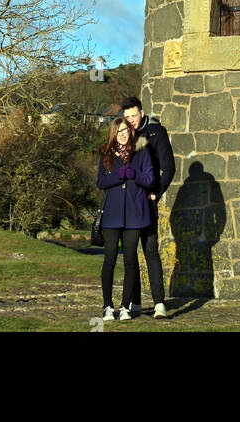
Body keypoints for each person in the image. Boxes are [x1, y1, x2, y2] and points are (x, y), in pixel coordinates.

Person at [96, 116, 154, 323]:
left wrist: (134, 174)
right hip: (111, 215)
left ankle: (125, 306)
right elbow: (100, 182)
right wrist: (118, 175)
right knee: (109, 259)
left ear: (131, 132)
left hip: (134, 214)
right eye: (119, 131)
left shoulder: (142, 152)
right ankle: (107, 306)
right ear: (113, 133)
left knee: (130, 260)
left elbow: (149, 179)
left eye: (126, 131)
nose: (122, 134)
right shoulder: (106, 153)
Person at [121, 96, 175, 319]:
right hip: (127, 201)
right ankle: (134, 302)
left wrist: (156, 193)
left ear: (142, 113)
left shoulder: (155, 132)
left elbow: (169, 168)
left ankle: (159, 303)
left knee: (151, 250)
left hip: (147, 199)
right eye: (127, 117)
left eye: (134, 115)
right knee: (130, 253)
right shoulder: (123, 133)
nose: (131, 120)